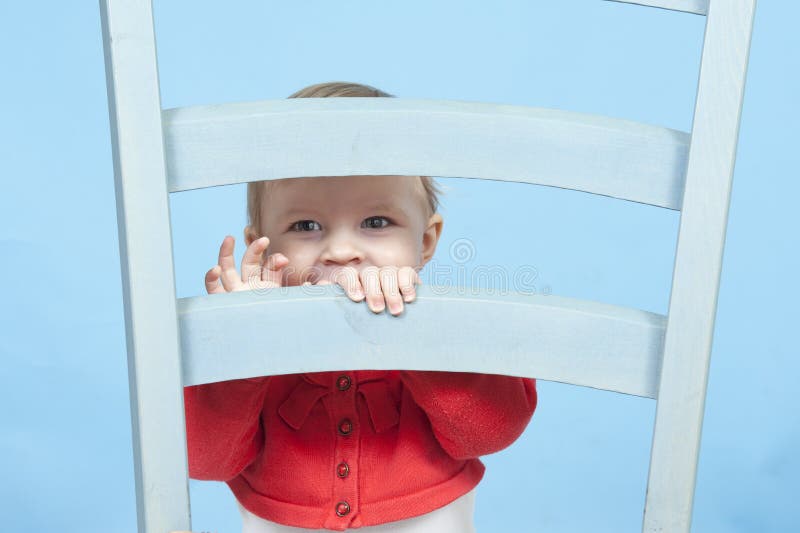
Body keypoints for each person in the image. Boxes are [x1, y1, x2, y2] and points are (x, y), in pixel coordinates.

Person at [178, 82, 538, 532]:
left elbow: (494, 431)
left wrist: (413, 334)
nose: (342, 250)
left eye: (376, 222)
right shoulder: (248, 339)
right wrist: (241, 345)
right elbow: (204, 460)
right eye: (305, 225)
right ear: (262, 246)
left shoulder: (447, 325)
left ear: (425, 241)